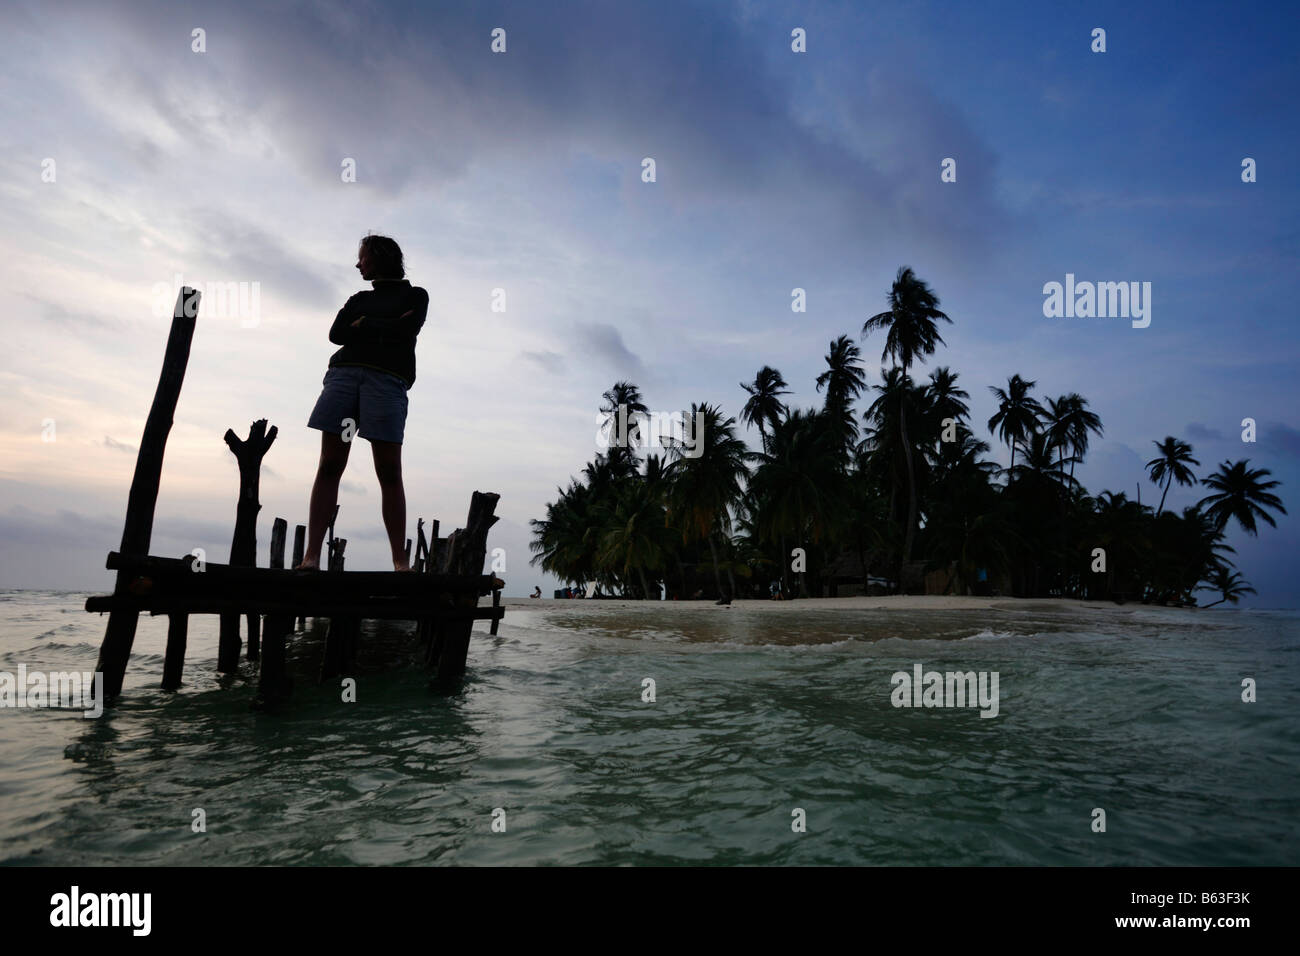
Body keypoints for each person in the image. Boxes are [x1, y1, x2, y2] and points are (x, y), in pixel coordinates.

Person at [295, 234, 429, 571]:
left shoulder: (415, 295)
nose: (358, 264)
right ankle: (311, 557)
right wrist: (383, 327)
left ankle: (400, 562)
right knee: (330, 465)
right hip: (344, 380)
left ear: (381, 258)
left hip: (386, 383)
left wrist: (365, 324)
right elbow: (336, 334)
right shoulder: (357, 298)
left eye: (363, 258)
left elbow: (406, 330)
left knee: (388, 470)